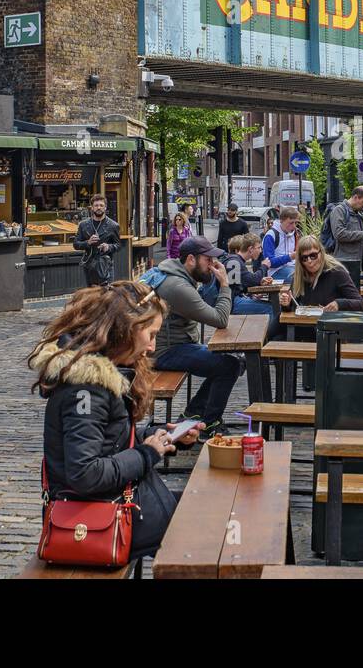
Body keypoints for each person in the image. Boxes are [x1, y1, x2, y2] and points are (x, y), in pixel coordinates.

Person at [28, 281, 201, 561]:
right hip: (101, 519)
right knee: (210, 526)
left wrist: (160, 435)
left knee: (208, 514)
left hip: (121, 506)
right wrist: (147, 453)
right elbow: (85, 473)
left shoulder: (100, 378)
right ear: (128, 328)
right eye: (151, 334)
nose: (152, 346)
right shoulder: (86, 391)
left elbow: (110, 439)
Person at [150, 235, 243, 437]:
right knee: (230, 365)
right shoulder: (178, 287)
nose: (212, 265)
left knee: (230, 362)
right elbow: (220, 319)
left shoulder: (174, 273)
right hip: (164, 352)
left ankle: (193, 414)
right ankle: (208, 423)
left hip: (170, 345)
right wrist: (225, 284)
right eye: (207, 259)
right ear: (191, 259)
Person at [278, 236, 363, 313]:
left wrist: (339, 304)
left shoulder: (337, 272)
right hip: (304, 326)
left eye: (313, 255)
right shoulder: (299, 275)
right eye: (304, 258)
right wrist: (286, 304)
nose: (309, 261)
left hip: (331, 328)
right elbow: (293, 307)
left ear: (321, 253)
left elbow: (360, 304)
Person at [220, 232, 280, 338]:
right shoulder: (234, 262)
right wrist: (264, 266)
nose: (261, 251)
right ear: (250, 249)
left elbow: (238, 284)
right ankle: (268, 342)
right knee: (270, 308)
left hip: (233, 300)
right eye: (259, 247)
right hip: (231, 304)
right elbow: (252, 280)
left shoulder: (236, 261)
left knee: (268, 305)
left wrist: (250, 293)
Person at [327, 185, 363, 285]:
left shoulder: (358, 213)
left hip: (355, 264)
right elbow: (339, 234)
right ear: (356, 197)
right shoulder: (339, 210)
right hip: (344, 263)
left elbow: (358, 236)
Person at [73, 196, 121, 287]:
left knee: (107, 295)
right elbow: (76, 244)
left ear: (105, 207)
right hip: (89, 265)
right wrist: (88, 242)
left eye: (101, 205)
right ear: (92, 207)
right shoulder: (83, 225)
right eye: (96, 205)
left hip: (105, 265)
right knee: (91, 295)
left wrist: (108, 247)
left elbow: (118, 245)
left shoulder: (113, 226)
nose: (99, 208)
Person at [262, 206, 301, 283]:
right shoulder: (271, 235)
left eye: (296, 223)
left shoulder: (294, 233)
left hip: (292, 267)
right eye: (291, 223)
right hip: (275, 272)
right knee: (297, 277)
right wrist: (290, 257)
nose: (293, 226)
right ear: (281, 221)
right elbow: (269, 263)